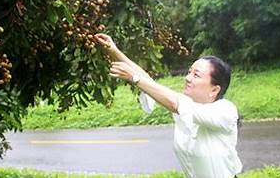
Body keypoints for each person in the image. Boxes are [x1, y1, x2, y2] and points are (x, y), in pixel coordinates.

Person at [94, 33, 242, 178]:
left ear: (214, 90)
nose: (187, 78)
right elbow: (151, 83)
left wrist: (134, 78)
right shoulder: (186, 103)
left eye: (196, 75)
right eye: (189, 72)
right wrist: (114, 51)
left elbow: (173, 102)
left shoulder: (225, 111)